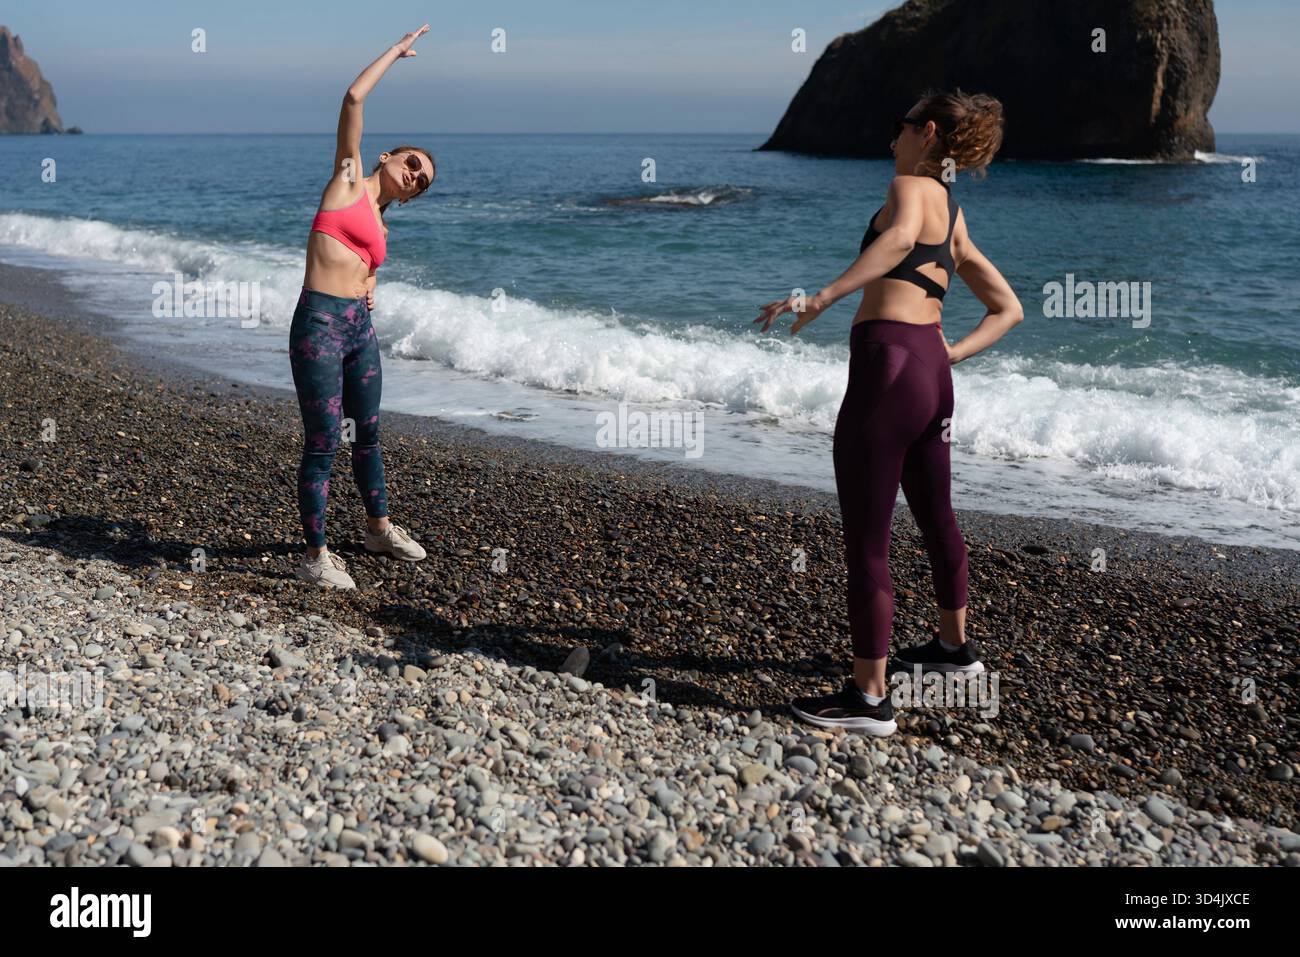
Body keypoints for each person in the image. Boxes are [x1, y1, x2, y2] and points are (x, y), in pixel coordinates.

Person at [754, 91, 1023, 733]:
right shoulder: (954, 212)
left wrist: (819, 297)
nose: (892, 137)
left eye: (899, 126)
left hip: (887, 368)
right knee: (937, 516)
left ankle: (868, 699)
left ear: (926, 133)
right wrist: (948, 354)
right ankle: (954, 651)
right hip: (930, 374)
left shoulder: (908, 187)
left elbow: (899, 237)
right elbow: (1008, 308)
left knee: (868, 539)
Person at [291, 25, 436, 589]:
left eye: (422, 182)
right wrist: (397, 53)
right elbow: (353, 98)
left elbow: (366, 262)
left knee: (367, 433)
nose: (415, 176)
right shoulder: (348, 178)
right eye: (412, 164)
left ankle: (378, 530)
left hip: (359, 330)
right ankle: (315, 559)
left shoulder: (381, 221)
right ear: (387, 156)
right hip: (320, 325)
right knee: (325, 438)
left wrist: (371, 283)